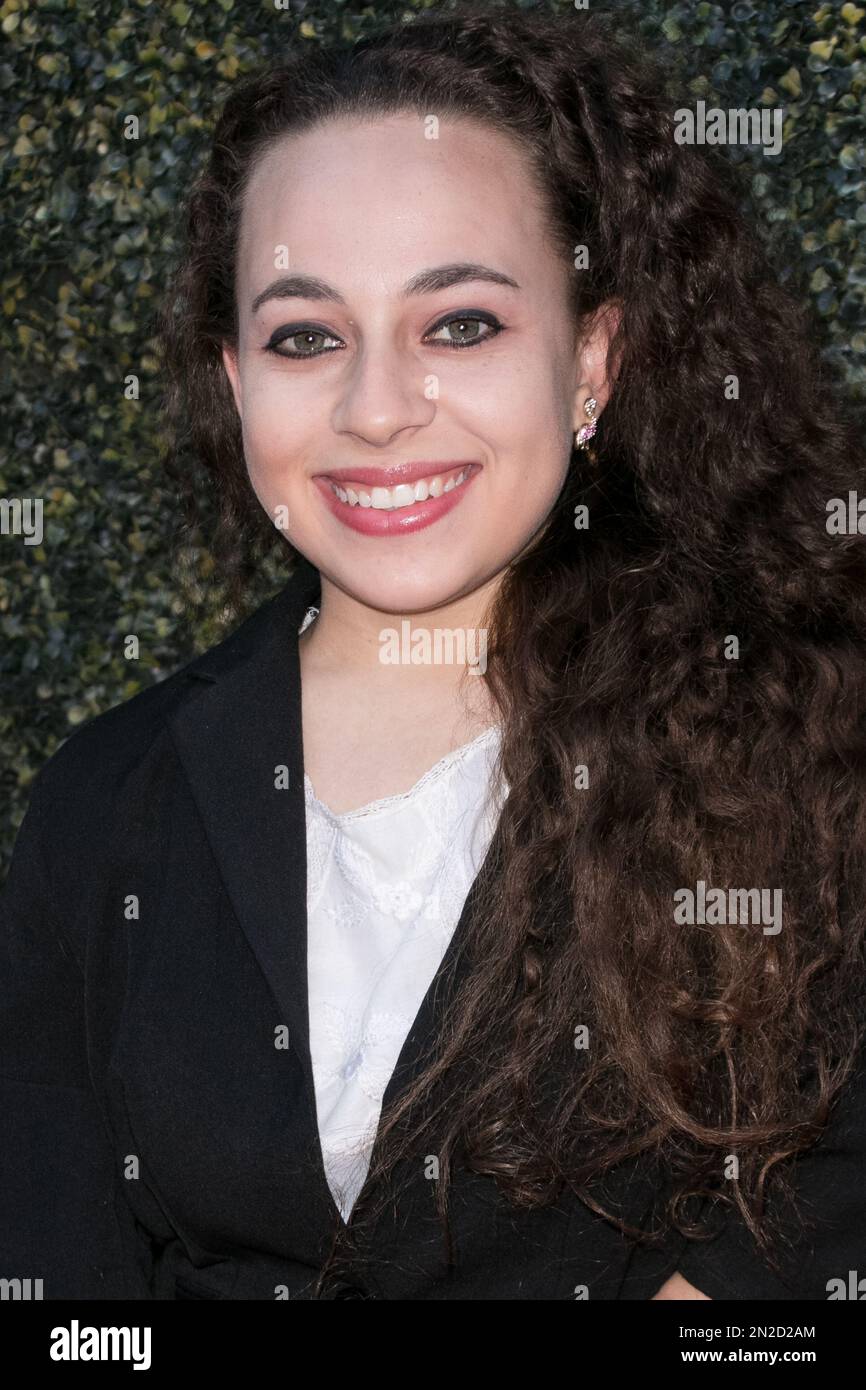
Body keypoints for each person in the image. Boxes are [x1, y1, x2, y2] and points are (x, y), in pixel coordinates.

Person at [3, 3, 866, 1301]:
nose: (377, 406)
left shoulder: (798, 735)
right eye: (306, 335)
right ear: (238, 382)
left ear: (590, 359)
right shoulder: (104, 804)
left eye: (459, 321)